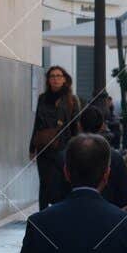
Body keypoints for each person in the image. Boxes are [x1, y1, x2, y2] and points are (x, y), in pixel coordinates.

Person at [29, 66, 83, 209]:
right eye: (52, 76)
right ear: (48, 80)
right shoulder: (42, 98)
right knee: (44, 183)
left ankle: (59, 213)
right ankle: (43, 215)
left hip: (63, 148)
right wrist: (31, 147)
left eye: (59, 76)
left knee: (61, 183)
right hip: (43, 148)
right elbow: (37, 123)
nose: (55, 79)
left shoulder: (72, 100)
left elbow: (75, 127)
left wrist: (76, 149)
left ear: (65, 79)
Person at [76, 106, 127, 206]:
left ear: (79, 126)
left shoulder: (65, 157)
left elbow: (55, 194)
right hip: (109, 217)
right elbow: (126, 195)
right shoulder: (115, 158)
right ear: (102, 126)